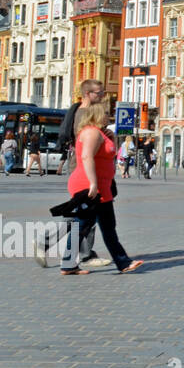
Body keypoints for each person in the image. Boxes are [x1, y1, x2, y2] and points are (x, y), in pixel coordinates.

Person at [59, 100, 143, 275]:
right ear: (96, 115)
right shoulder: (91, 133)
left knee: (88, 224)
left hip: (99, 185)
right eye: (105, 113)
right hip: (90, 185)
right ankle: (123, 262)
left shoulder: (98, 132)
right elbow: (86, 157)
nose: (108, 115)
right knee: (98, 225)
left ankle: (68, 265)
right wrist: (93, 183)